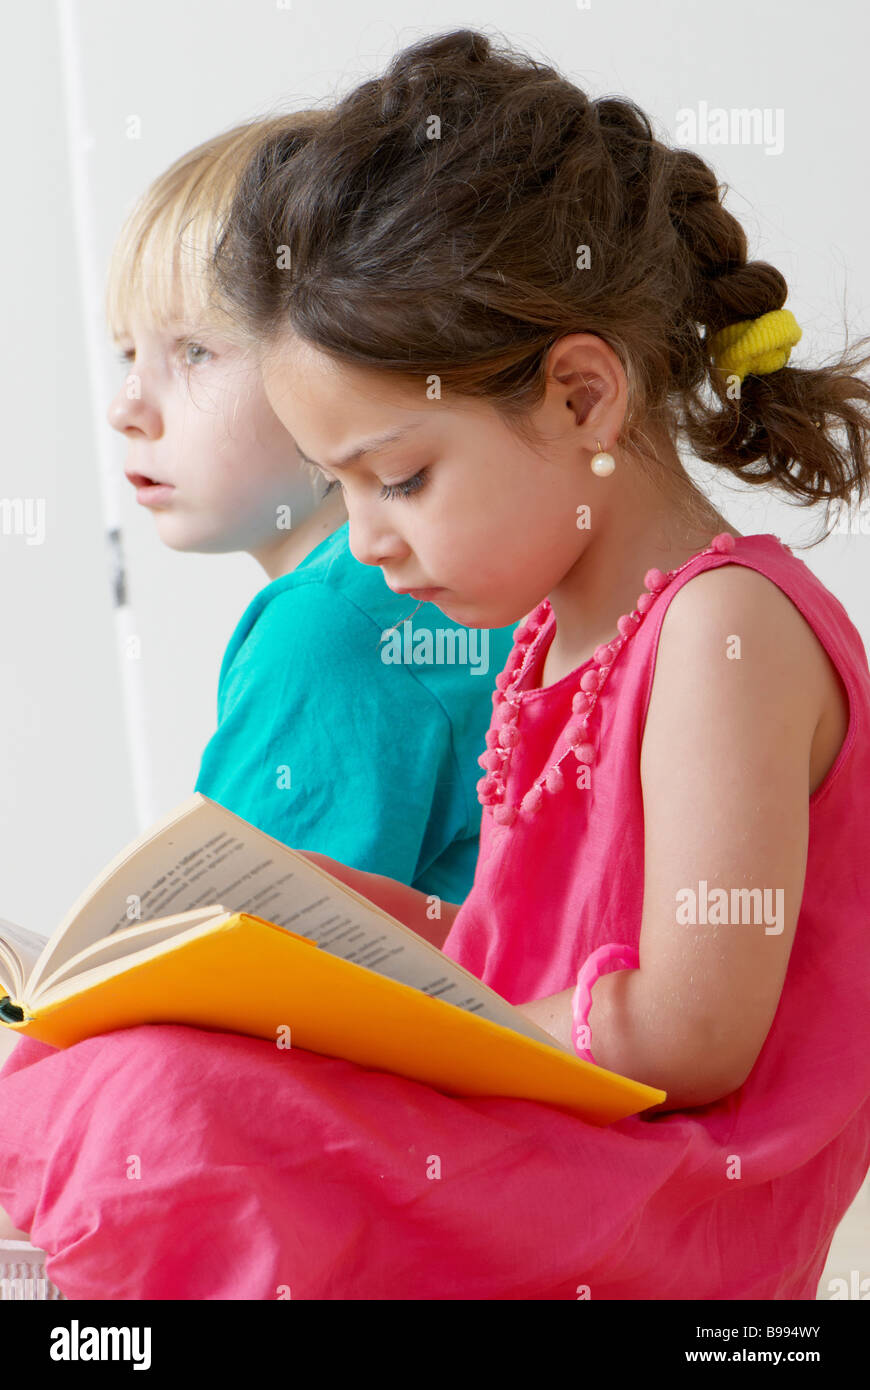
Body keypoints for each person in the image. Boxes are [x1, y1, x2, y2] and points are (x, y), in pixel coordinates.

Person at [1, 27, 869, 1299]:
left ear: (583, 399)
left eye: (400, 477)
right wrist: (348, 919)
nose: (365, 539)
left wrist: (418, 1035)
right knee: (106, 1063)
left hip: (668, 1202)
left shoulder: (722, 635)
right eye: (341, 485)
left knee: (168, 1106)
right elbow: (533, 949)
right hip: (559, 1137)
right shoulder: (545, 628)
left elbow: (690, 1033)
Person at [0, 105, 515, 1294]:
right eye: (127, 352)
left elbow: (231, 971)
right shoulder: (393, 597)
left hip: (386, 1161)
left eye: (194, 353)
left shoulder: (335, 623)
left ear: (335, 363)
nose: (132, 404)